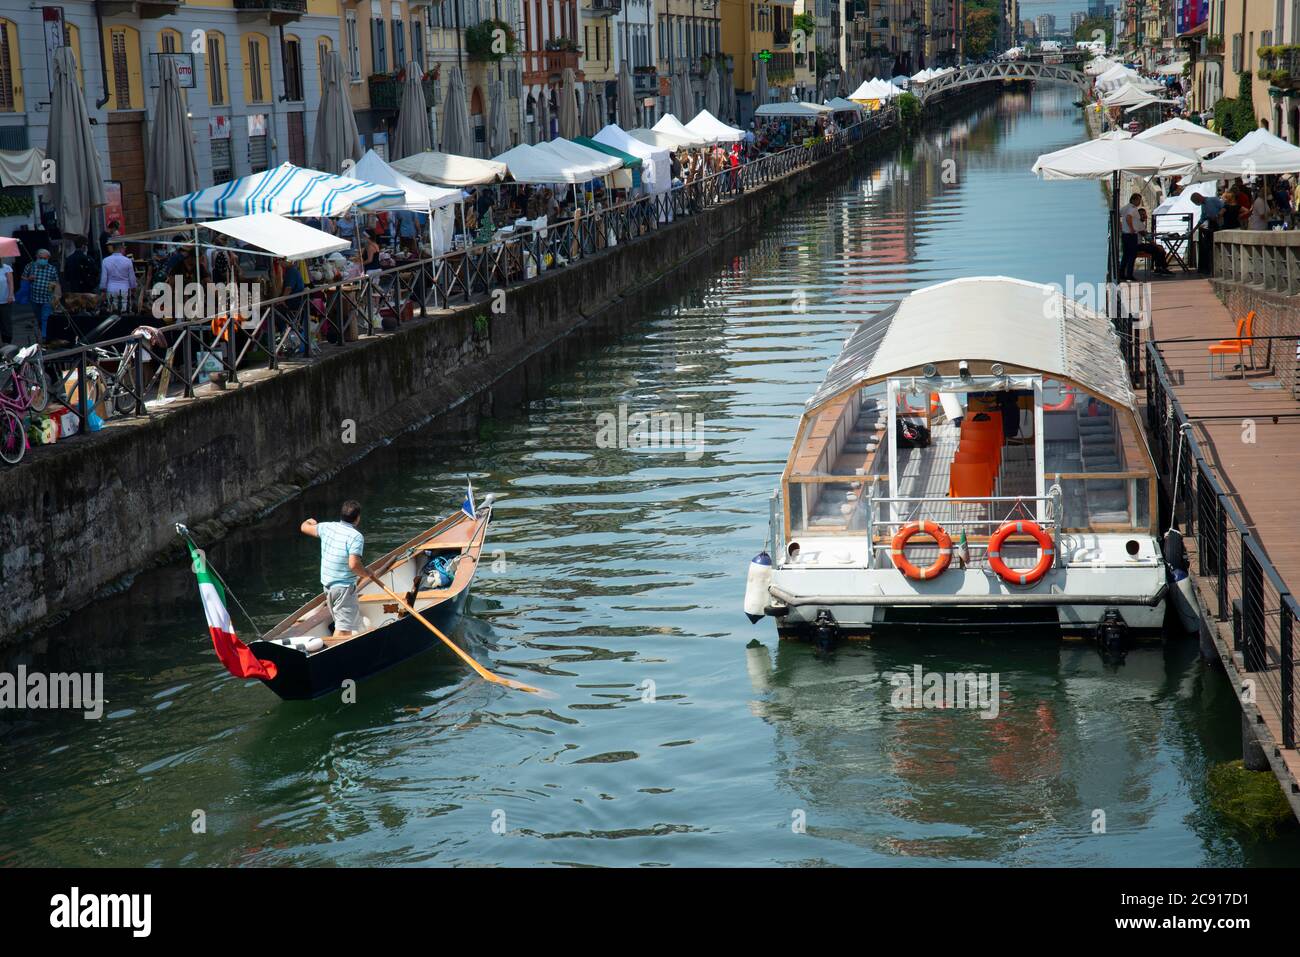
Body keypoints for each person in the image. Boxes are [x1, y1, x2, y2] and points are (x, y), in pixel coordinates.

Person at [300, 501, 367, 639]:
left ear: (341, 515)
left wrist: (309, 521)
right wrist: (366, 574)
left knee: (341, 625)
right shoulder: (356, 537)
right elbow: (354, 565)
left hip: (328, 586)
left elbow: (304, 527)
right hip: (343, 588)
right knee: (343, 631)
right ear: (357, 518)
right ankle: (340, 656)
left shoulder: (327, 527)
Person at [21, 249, 59, 343]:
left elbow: (55, 282)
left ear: (48, 259)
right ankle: (41, 331)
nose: (42, 260)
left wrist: (55, 295)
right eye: (40, 258)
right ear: (36, 257)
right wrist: (29, 278)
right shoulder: (30, 266)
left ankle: (44, 336)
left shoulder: (52, 268)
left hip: (47, 298)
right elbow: (23, 277)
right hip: (34, 298)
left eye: (45, 258)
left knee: (45, 317)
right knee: (38, 317)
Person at [99, 241, 137, 311]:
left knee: (112, 311)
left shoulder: (105, 260)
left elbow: (104, 279)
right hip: (125, 289)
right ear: (121, 248)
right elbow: (132, 278)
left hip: (111, 289)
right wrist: (134, 288)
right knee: (125, 310)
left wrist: (103, 289)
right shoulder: (128, 261)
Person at [1118, 193, 1142, 281]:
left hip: (1125, 234)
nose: (1139, 202)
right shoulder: (1133, 208)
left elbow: (1118, 215)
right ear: (1133, 200)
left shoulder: (1125, 207)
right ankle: (1129, 275)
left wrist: (1121, 227)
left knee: (1125, 255)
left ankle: (1121, 273)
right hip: (1131, 235)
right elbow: (1128, 217)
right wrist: (1131, 228)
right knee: (1132, 255)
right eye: (1138, 200)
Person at [0, 256, 13, 345]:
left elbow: (10, 283)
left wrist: (10, 295)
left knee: (5, 322)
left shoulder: (6, 268)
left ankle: (7, 343)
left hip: (5, 300)